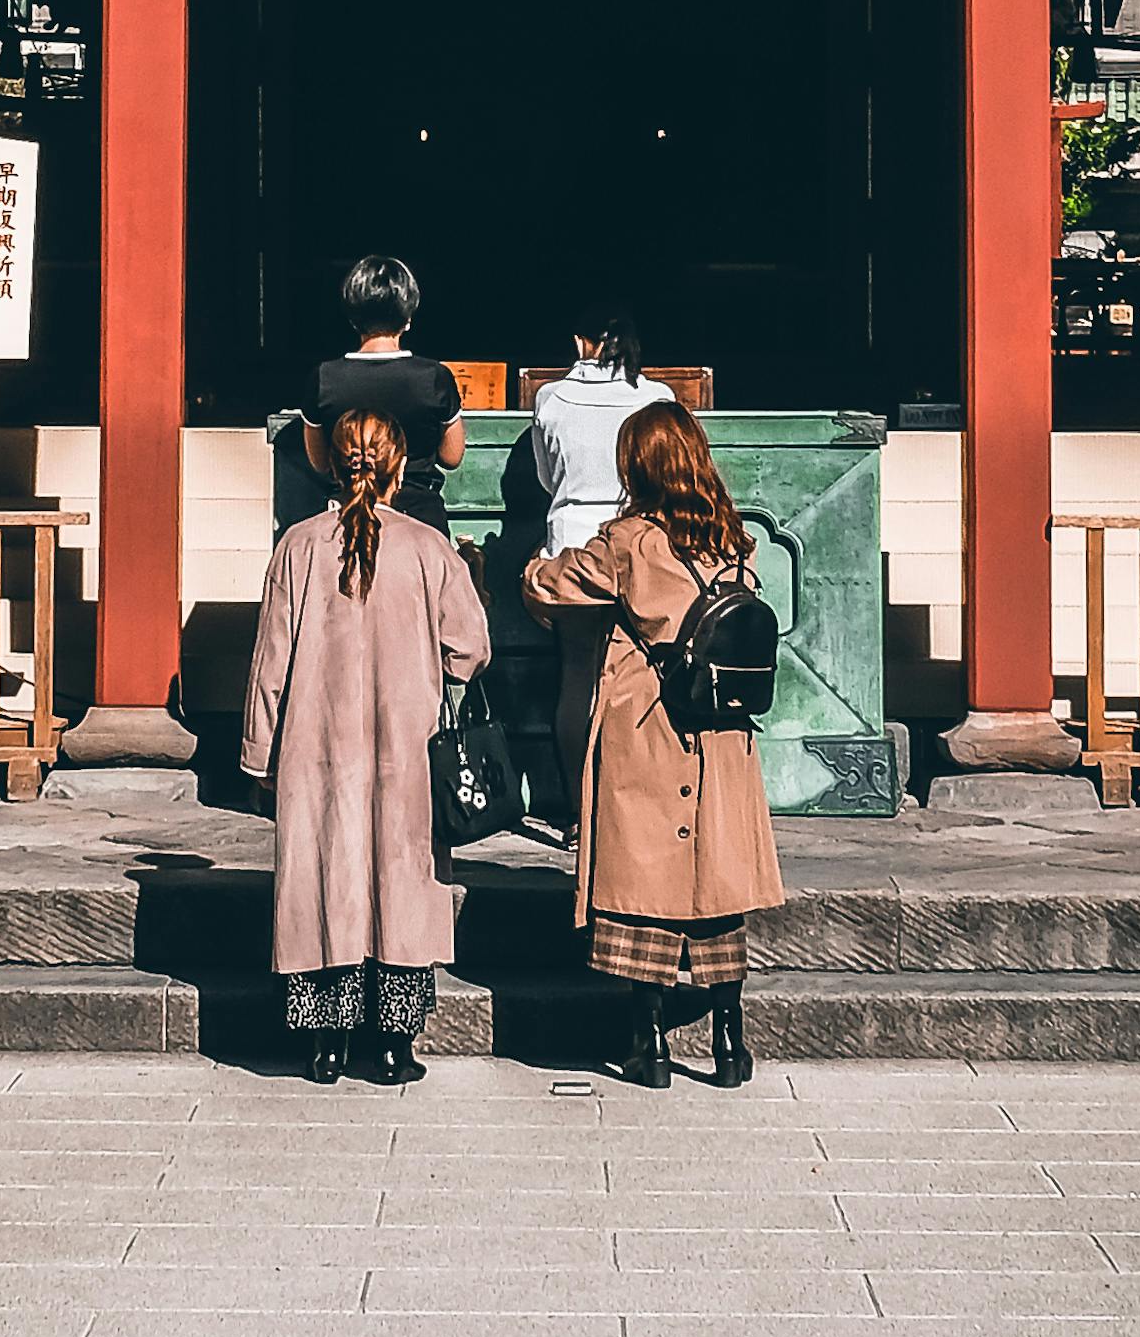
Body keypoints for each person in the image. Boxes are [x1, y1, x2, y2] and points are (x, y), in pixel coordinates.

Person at [525, 400, 782, 1090]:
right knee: (715, 887)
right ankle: (729, 1044)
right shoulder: (735, 541)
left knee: (644, 885)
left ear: (635, 467)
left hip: (649, 723)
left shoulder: (628, 542)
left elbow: (551, 585)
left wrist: (526, 568)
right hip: (723, 733)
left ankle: (650, 1045)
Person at [239, 398, 494, 1085]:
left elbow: (269, 665)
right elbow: (470, 650)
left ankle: (326, 1045)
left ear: (331, 465)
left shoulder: (298, 546)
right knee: (401, 887)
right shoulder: (427, 547)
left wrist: (259, 756)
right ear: (399, 467)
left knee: (325, 885)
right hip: (406, 752)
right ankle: (393, 1047)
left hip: (315, 750)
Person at [519, 312, 670, 819]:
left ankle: (578, 812)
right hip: (641, 548)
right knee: (643, 677)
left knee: (577, 674)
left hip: (574, 551)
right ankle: (632, 808)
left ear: (579, 340)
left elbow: (547, 479)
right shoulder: (658, 398)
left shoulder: (550, 398)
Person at [304, 251, 469, 535]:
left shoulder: (324, 378)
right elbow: (452, 457)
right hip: (420, 517)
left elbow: (320, 462)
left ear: (352, 317)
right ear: (408, 317)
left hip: (344, 517)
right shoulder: (434, 377)